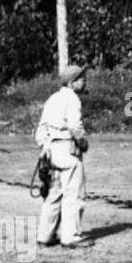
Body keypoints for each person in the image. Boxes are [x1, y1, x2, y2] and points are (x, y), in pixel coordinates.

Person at [34, 64, 90, 248]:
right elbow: (75, 126)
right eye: (81, 79)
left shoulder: (53, 98)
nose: (84, 81)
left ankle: (45, 235)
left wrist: (45, 147)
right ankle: (71, 236)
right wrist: (83, 141)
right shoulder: (73, 99)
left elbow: (41, 129)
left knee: (53, 194)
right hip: (68, 149)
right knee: (73, 194)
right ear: (72, 82)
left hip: (52, 152)